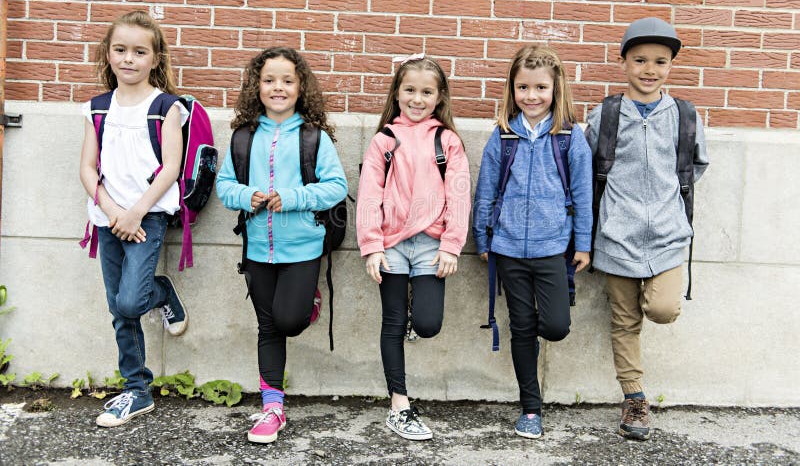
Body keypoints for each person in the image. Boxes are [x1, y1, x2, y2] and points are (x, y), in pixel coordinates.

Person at [216, 47, 348, 444]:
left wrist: (292, 197)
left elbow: (336, 186)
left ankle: (308, 300)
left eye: (287, 80)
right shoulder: (244, 137)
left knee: (289, 321)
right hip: (258, 249)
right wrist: (247, 196)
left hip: (303, 247)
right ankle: (272, 408)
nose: (278, 87)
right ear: (256, 87)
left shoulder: (313, 137)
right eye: (269, 80)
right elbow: (225, 186)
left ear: (300, 86)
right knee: (269, 326)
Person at [585, 17, 709, 441]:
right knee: (624, 321)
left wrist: (665, 202)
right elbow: (587, 167)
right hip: (617, 235)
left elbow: (696, 165)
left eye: (659, 61)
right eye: (639, 60)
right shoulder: (606, 114)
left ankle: (649, 292)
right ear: (623, 62)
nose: (649, 69)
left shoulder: (685, 116)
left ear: (670, 65)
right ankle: (634, 398)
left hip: (668, 235)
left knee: (663, 308)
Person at [472, 45, 592, 439]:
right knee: (521, 327)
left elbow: (583, 194)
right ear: (512, 89)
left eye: (541, 87)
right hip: (507, 249)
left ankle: (533, 338)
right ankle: (530, 408)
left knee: (556, 326)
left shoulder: (569, 138)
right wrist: (483, 237)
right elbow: (486, 190)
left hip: (552, 248)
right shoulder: (504, 136)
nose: (531, 95)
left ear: (556, 89)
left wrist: (583, 243)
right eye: (523, 87)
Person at [79, 10, 189, 427]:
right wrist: (112, 211)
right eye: (121, 49)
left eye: (140, 52)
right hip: (108, 219)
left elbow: (171, 167)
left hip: (147, 217)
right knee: (119, 309)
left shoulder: (166, 107)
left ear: (155, 58)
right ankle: (136, 389)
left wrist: (136, 212)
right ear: (107, 54)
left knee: (130, 300)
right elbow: (87, 168)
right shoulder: (97, 108)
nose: (129, 59)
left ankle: (160, 291)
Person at [357, 54, 470, 441]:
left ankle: (412, 309)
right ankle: (399, 405)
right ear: (397, 93)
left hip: (431, 245)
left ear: (439, 97)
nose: (417, 99)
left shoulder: (448, 141)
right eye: (409, 90)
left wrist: (452, 245)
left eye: (426, 92)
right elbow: (369, 195)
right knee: (392, 322)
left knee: (427, 324)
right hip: (391, 244)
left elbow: (459, 195)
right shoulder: (384, 140)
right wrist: (371, 245)